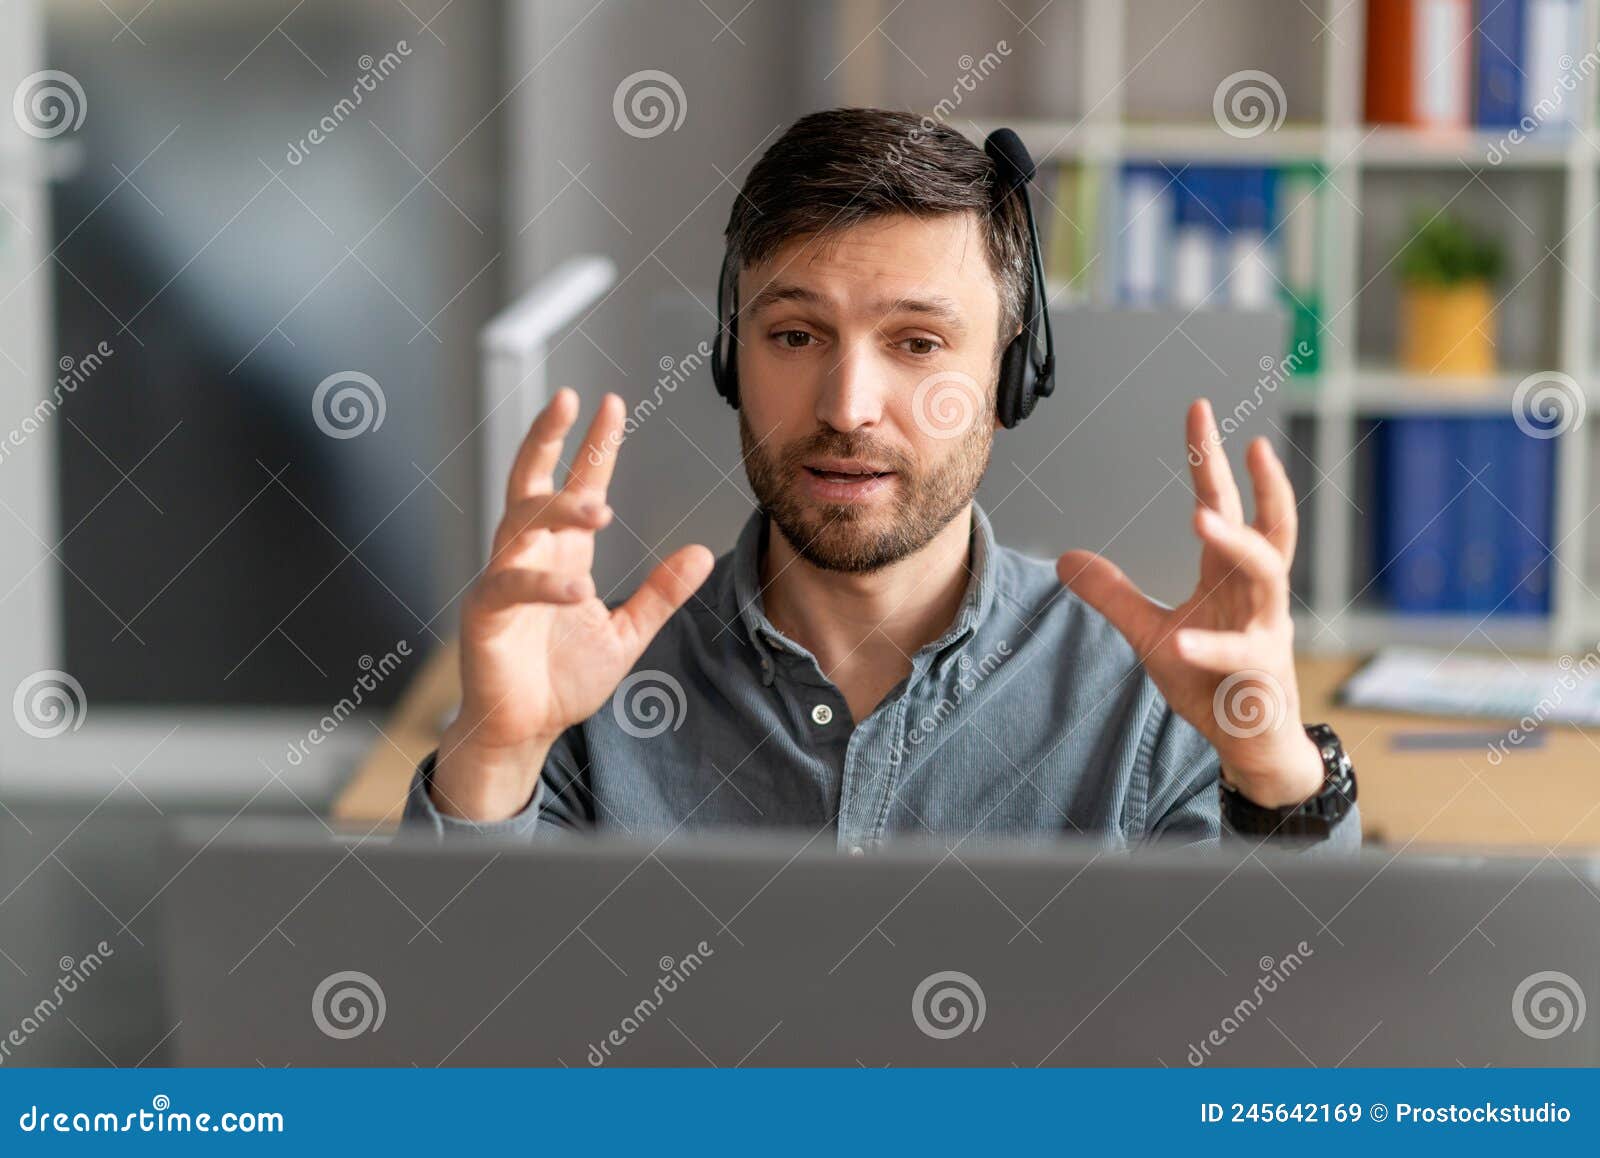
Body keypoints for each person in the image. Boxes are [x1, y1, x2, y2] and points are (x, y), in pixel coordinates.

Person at [404, 108, 1358, 852]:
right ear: (733, 360)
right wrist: (494, 754)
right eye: (794, 335)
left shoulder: (1153, 695)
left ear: (1009, 378)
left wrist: (1274, 771)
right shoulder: (590, 691)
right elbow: (459, 1047)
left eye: (917, 343)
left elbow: (1287, 1054)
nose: (848, 405)